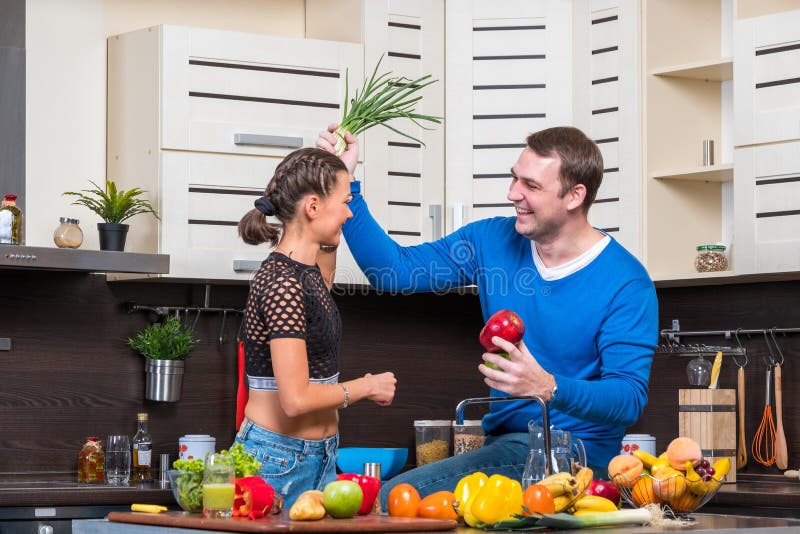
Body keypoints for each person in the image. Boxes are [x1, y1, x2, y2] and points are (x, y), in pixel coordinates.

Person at [317, 125, 658, 506]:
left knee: (389, 500)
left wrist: (548, 386)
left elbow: (629, 397)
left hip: (576, 460)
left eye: (531, 185)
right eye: (515, 178)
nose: (513, 193)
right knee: (395, 503)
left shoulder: (626, 282)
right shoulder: (491, 241)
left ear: (574, 196)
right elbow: (393, 271)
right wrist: (347, 185)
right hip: (505, 447)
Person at [234, 147, 397, 507]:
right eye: (345, 203)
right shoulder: (281, 284)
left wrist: (344, 172)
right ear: (312, 207)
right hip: (277, 461)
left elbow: (323, 279)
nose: (350, 213)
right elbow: (296, 400)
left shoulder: (302, 275)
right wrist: (368, 386)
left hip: (317, 457)